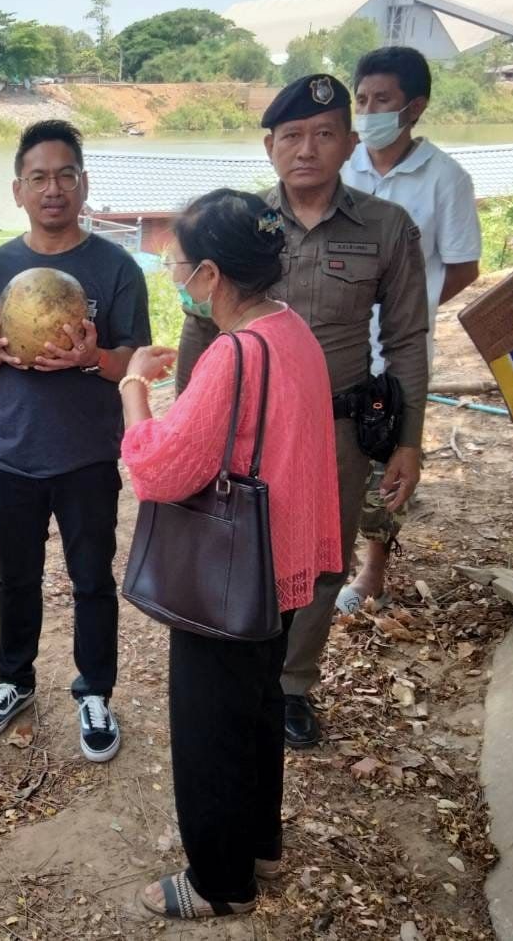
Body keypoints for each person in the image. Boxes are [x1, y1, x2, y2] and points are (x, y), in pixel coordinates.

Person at [179, 75, 429, 749]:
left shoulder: (386, 228)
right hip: (246, 429)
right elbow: (200, 324)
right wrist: (185, 426)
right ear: (269, 146)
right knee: (242, 549)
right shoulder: (238, 226)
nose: (306, 149)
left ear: (348, 143)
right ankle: (246, 667)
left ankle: (292, 685)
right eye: (291, 135)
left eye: (323, 134)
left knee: (321, 560)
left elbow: (407, 337)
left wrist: (407, 440)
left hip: (337, 430)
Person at [121, 189, 341, 919]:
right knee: (255, 709)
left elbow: (160, 469)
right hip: (278, 563)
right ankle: (257, 844)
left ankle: (219, 882)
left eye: (180, 265)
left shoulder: (232, 353)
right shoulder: (291, 331)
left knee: (210, 726)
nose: (177, 276)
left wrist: (132, 393)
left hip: (227, 570)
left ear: (211, 274)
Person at [0, 120, 150, 762]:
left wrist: (92, 358)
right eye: (38, 177)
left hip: (89, 454)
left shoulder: (115, 266)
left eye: (65, 175)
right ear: (18, 189)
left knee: (92, 579)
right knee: (16, 578)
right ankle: (13, 680)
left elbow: (136, 360)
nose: (53, 189)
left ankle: (94, 690)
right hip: (15, 453)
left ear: (83, 184)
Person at [338, 47, 481, 611]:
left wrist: (408, 310)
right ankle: (330, 556)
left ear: (415, 107)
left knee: (387, 453)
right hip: (339, 338)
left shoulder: (444, 178)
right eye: (363, 99)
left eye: (384, 100)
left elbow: (464, 264)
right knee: (335, 447)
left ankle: (372, 570)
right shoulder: (342, 165)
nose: (370, 110)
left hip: (397, 348)